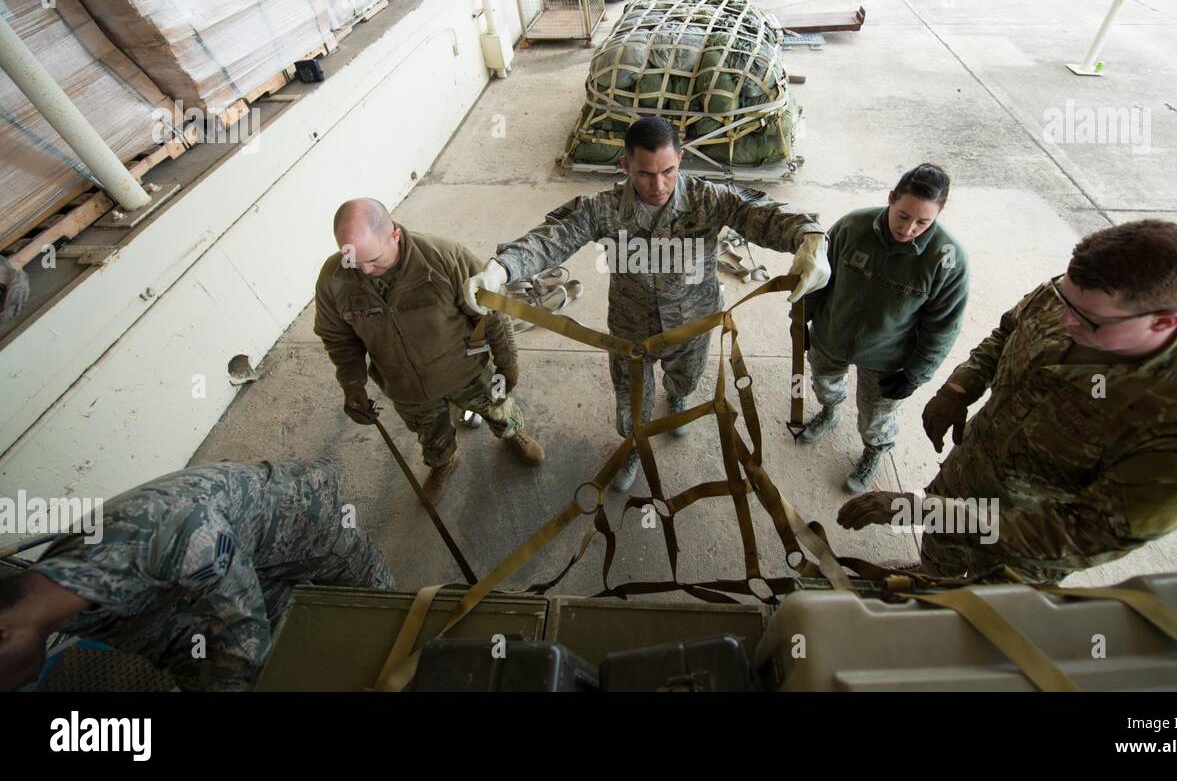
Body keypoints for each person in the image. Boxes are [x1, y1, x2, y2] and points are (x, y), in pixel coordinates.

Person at [837, 220, 1177, 584]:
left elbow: (1078, 534)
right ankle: (931, 577)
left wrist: (927, 511)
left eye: (1089, 321)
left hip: (1019, 556)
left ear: (1163, 322)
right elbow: (1005, 333)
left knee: (979, 622)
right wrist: (960, 389)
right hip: (965, 479)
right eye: (1064, 298)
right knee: (937, 561)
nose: (1065, 321)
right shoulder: (1075, 299)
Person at [464, 117, 831, 492]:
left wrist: (809, 238)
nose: (658, 186)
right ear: (625, 167)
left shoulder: (708, 199)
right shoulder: (603, 209)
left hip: (692, 324)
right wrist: (500, 269)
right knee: (631, 409)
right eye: (645, 174)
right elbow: (551, 237)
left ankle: (677, 398)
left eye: (668, 171)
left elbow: (760, 211)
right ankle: (636, 445)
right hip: (630, 329)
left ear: (681, 160)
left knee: (686, 379)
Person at [0, 459, 393, 692]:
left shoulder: (171, 535)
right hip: (228, 565)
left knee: (380, 603)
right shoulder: (56, 588)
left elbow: (243, 640)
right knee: (289, 627)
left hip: (294, 521)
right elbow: (171, 640)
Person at [314, 198, 544, 503]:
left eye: (374, 259)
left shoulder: (444, 257)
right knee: (430, 435)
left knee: (497, 408)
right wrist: (352, 385)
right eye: (354, 262)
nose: (365, 271)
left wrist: (508, 360)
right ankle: (444, 462)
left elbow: (491, 310)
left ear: (393, 234)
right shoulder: (334, 280)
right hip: (406, 387)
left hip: (467, 370)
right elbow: (338, 339)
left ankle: (513, 434)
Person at [800, 164, 969, 493]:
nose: (908, 230)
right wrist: (802, 319)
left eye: (923, 222)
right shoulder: (852, 226)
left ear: (940, 214)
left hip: (887, 359)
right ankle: (829, 411)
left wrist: (914, 375)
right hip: (830, 336)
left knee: (876, 416)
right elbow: (819, 277)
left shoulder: (947, 260)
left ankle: (874, 450)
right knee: (824, 383)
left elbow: (943, 327)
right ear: (891, 198)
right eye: (903, 216)